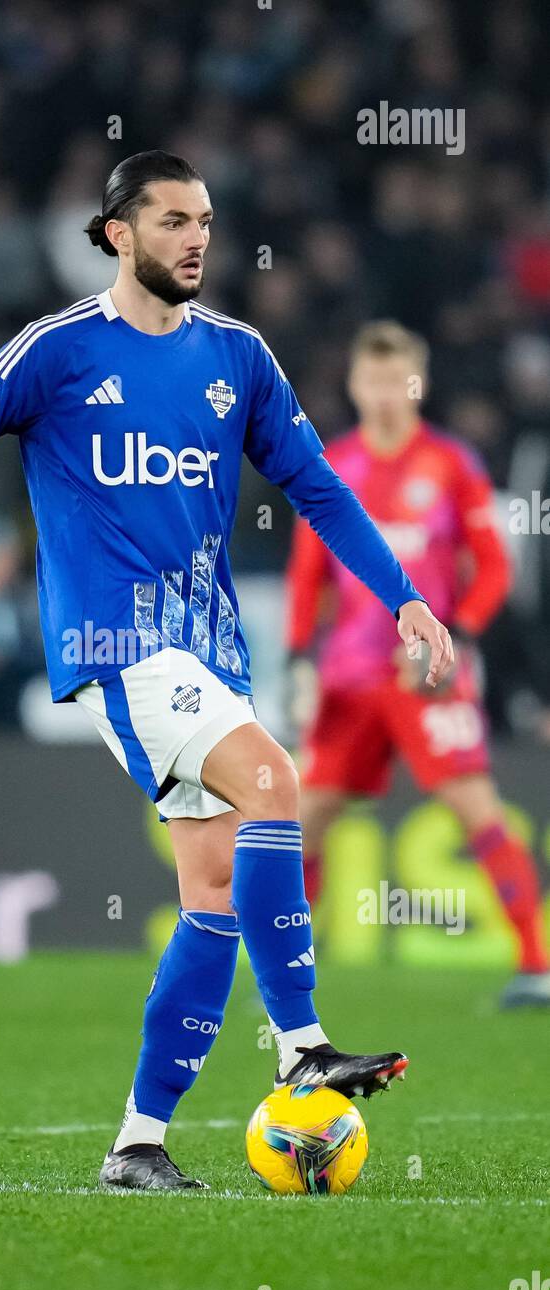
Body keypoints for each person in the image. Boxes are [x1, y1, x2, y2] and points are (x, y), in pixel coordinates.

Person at [0, 151, 453, 1192]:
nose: (195, 237)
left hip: (209, 650)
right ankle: (302, 1045)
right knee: (275, 783)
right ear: (117, 232)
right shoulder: (58, 352)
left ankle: (136, 1143)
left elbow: (322, 489)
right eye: (170, 221)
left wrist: (404, 596)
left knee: (212, 893)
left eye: (204, 219)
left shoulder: (240, 357)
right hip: (118, 648)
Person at [287, 320, 550, 1008]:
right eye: (369, 380)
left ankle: (534, 965)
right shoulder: (329, 466)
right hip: (347, 674)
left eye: (395, 380)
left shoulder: (452, 465)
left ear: (418, 384)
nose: (382, 394)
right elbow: (307, 574)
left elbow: (493, 567)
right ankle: (288, 974)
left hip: (427, 674)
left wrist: (458, 637)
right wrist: (296, 659)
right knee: (305, 817)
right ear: (351, 384)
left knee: (475, 808)